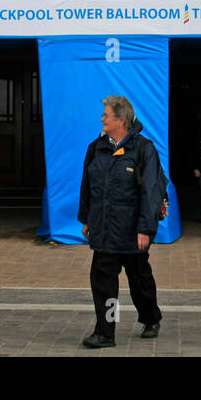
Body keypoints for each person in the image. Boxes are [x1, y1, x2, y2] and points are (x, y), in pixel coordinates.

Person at [78, 95, 164, 347]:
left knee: (140, 280)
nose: (101, 119)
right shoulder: (96, 148)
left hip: (132, 230)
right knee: (103, 284)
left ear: (122, 119)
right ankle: (106, 332)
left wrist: (145, 229)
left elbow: (151, 191)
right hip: (104, 229)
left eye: (106, 115)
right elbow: (87, 186)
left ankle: (151, 317)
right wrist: (86, 219)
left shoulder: (144, 149)